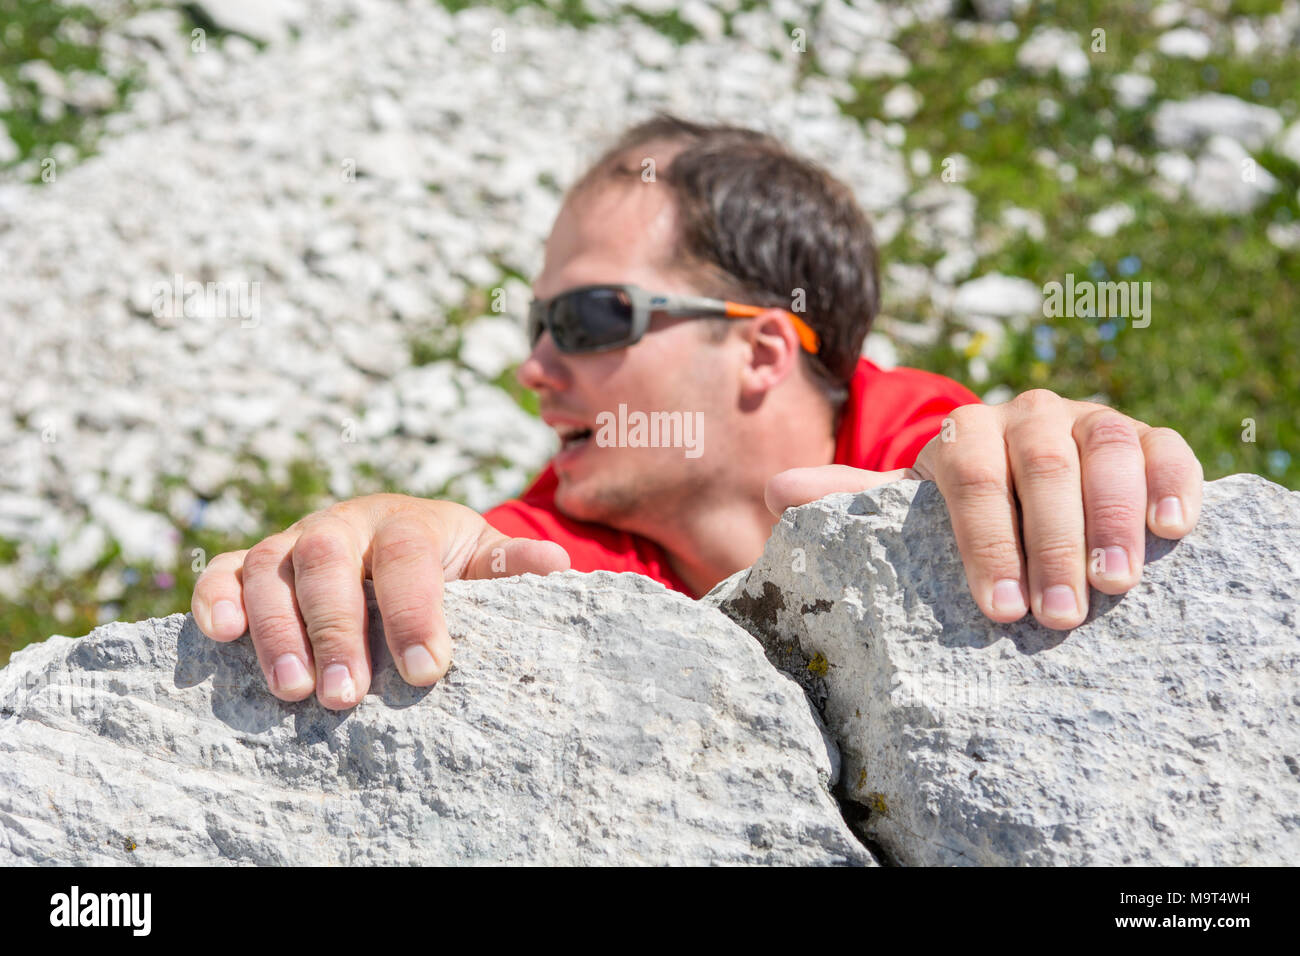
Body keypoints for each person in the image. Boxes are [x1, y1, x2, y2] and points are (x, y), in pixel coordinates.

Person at [191, 114, 1203, 711]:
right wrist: (379, 545)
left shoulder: (932, 454)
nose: (534, 367)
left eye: (587, 317)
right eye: (539, 321)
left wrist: (1055, 462)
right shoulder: (563, 536)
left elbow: (972, 454)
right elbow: (489, 557)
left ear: (761, 348)